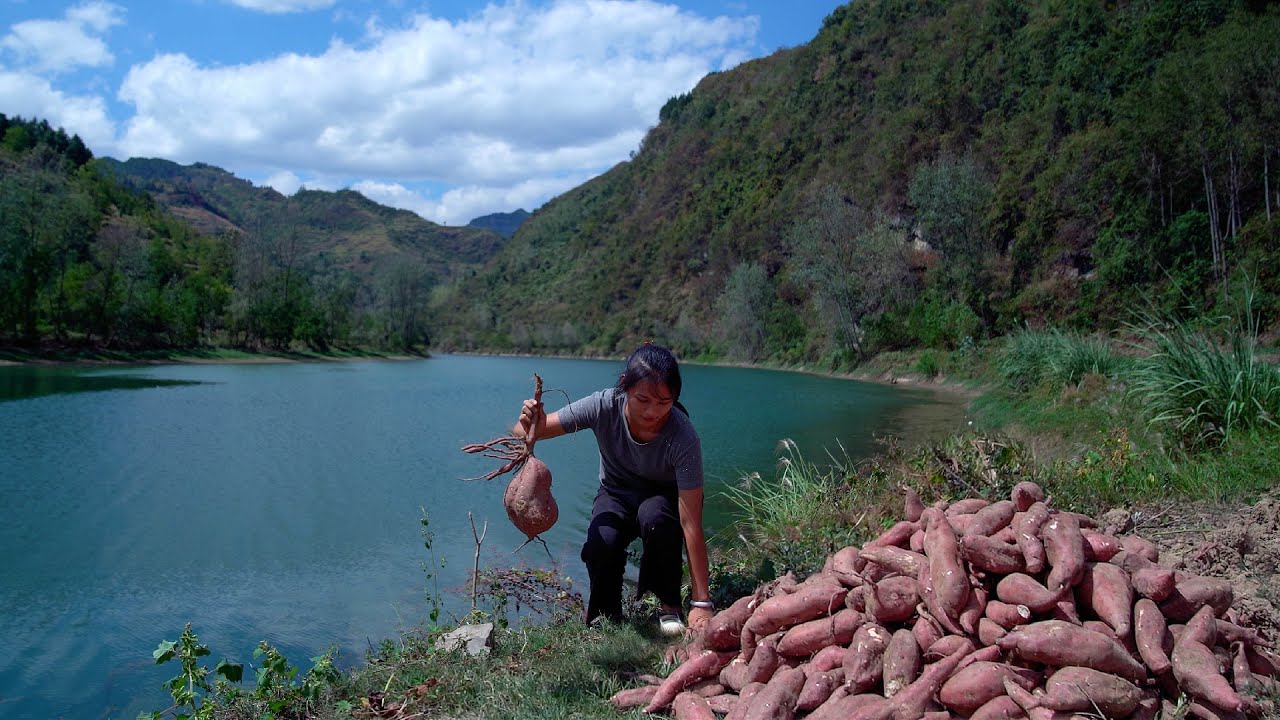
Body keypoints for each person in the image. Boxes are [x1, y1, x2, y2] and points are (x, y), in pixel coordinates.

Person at [512, 343, 713, 637]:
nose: (652, 411)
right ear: (624, 386)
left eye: (664, 402)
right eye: (642, 399)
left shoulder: (683, 436)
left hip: (664, 498)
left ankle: (669, 605)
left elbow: (691, 523)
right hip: (616, 492)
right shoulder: (603, 405)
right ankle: (605, 618)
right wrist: (531, 423)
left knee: (656, 518)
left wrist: (702, 603)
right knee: (602, 541)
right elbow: (524, 433)